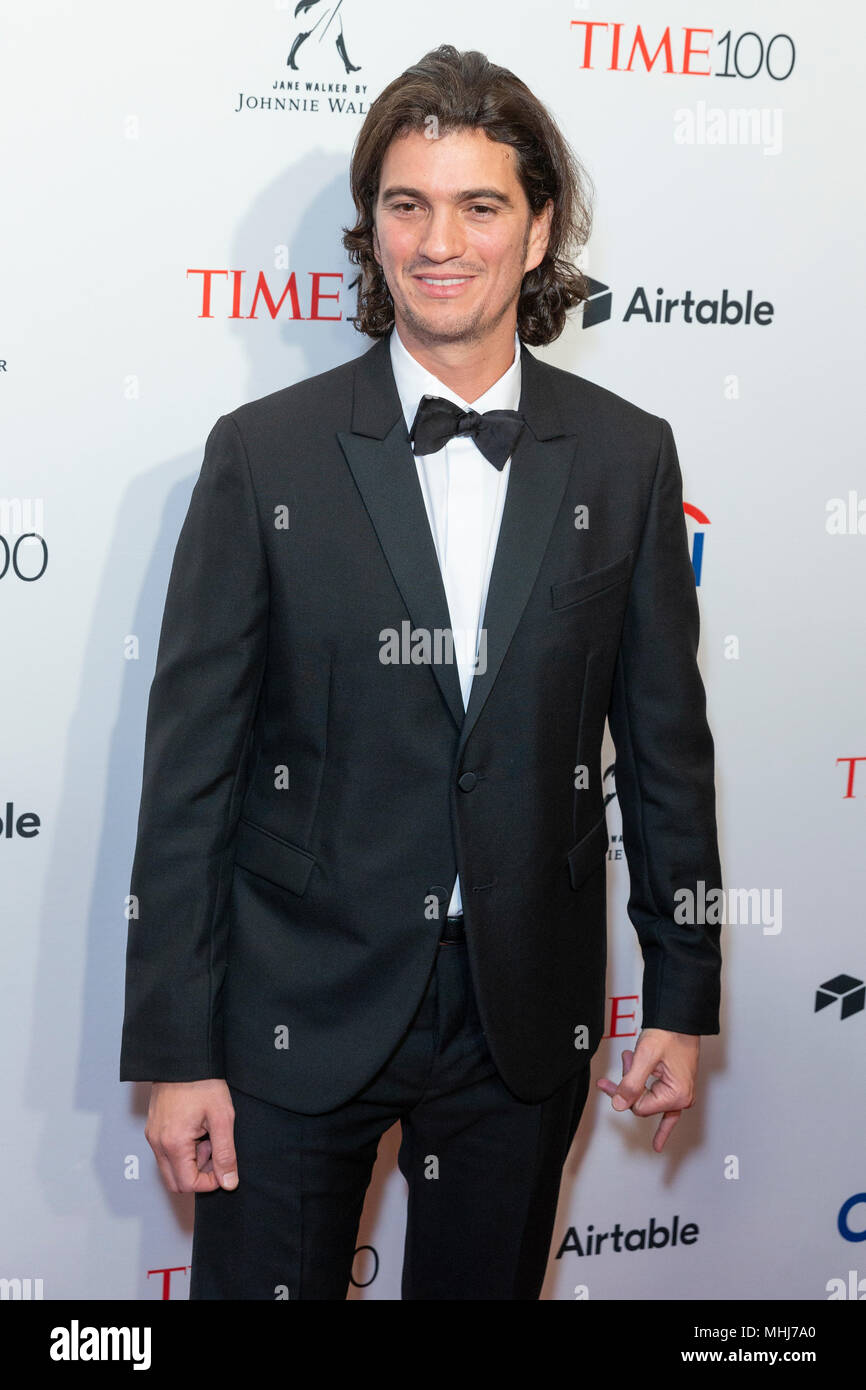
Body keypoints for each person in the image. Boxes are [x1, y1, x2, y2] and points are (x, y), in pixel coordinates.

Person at [120, 43, 722, 1301]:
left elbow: (664, 749)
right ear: (373, 228)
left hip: (519, 1021)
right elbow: (190, 780)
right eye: (407, 203)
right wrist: (176, 1050)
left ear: (539, 226)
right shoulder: (261, 459)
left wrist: (681, 993)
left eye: (478, 204)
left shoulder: (623, 460)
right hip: (294, 1012)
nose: (438, 240)